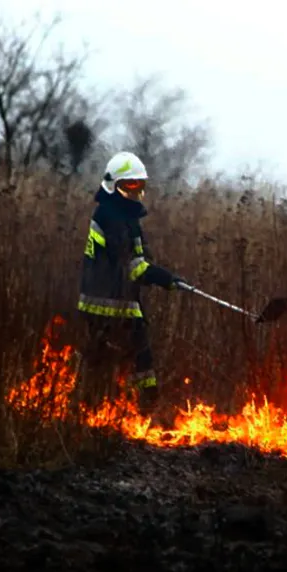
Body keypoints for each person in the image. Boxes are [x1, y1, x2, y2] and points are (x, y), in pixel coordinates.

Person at [75, 150, 186, 415]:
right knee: (138, 355)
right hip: (109, 301)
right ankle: (146, 409)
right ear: (113, 185)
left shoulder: (126, 216)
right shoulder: (110, 216)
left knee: (102, 360)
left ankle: (94, 412)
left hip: (116, 299)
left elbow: (139, 256)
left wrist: (162, 275)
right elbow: (134, 267)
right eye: (129, 185)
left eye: (139, 185)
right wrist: (165, 278)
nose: (135, 191)